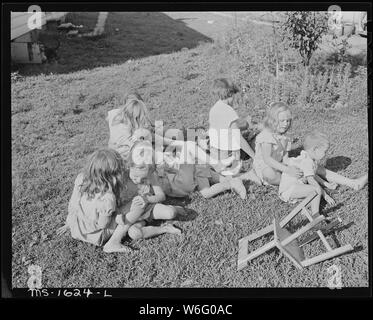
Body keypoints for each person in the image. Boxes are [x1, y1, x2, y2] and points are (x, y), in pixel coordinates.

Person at [252, 101, 368, 190]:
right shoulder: (266, 136)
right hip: (265, 169)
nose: (285, 124)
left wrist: (297, 164)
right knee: (269, 173)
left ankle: (353, 183)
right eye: (282, 121)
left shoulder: (285, 138)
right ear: (272, 120)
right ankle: (303, 182)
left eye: (288, 121)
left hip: (281, 166)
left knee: (310, 164)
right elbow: (267, 159)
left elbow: (285, 158)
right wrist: (288, 169)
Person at [56, 148, 138, 253]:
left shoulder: (81, 179)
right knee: (137, 203)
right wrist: (117, 213)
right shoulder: (108, 198)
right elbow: (103, 225)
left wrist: (70, 222)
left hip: (77, 228)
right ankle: (113, 243)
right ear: (114, 175)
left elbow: (74, 203)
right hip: (97, 235)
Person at [278, 131, 336, 216]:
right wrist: (325, 195)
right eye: (324, 151)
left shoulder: (309, 159)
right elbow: (312, 180)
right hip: (289, 189)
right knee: (316, 190)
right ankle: (315, 215)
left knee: (315, 193)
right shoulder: (307, 161)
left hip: (295, 188)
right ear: (315, 149)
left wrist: (327, 184)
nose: (325, 154)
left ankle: (305, 209)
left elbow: (313, 175)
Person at [208, 78, 256, 177]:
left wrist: (245, 126)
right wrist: (254, 156)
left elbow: (225, 129)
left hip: (215, 158)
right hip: (228, 159)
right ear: (231, 94)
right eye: (234, 95)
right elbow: (238, 138)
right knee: (253, 139)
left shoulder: (214, 109)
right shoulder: (229, 111)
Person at [107, 93, 153, 161]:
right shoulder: (120, 122)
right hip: (120, 155)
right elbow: (124, 141)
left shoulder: (133, 117)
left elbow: (145, 130)